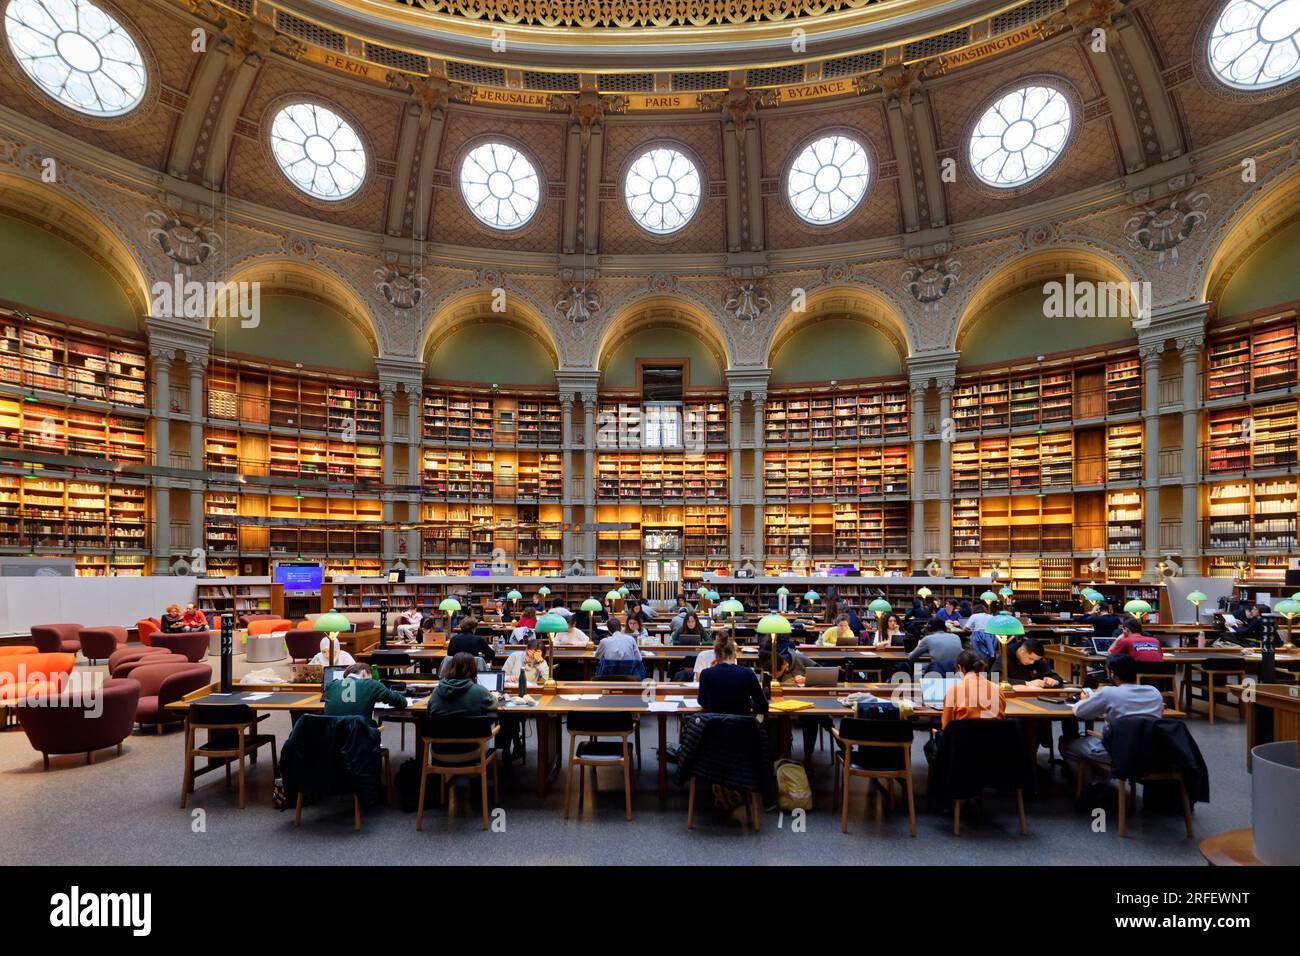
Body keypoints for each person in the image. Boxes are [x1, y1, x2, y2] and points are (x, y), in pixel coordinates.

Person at [1060, 654, 1164, 786]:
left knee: (1067, 746)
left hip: (1116, 751)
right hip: (1151, 752)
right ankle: (1102, 780)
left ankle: (1094, 784)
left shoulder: (1109, 692)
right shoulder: (1154, 692)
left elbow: (1080, 712)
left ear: (1112, 673)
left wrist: (1085, 700)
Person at [697, 635, 768, 716]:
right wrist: (749, 703)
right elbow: (763, 706)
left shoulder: (706, 674)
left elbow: (702, 702)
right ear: (734, 655)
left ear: (716, 656)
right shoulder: (748, 673)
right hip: (742, 726)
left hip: (716, 725)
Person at [323, 663, 407, 724]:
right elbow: (402, 702)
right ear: (364, 672)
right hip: (360, 739)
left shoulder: (331, 685)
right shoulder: (371, 684)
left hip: (331, 740)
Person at [941, 650, 1006, 728]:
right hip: (994, 739)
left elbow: (946, 726)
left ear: (960, 668)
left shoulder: (953, 691)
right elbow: (1002, 718)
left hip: (962, 739)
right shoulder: (997, 689)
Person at [426, 652, 497, 716]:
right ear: (473, 669)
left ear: (450, 667)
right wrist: (495, 696)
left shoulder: (437, 691)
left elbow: (429, 710)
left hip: (442, 730)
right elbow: (494, 705)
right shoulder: (479, 692)